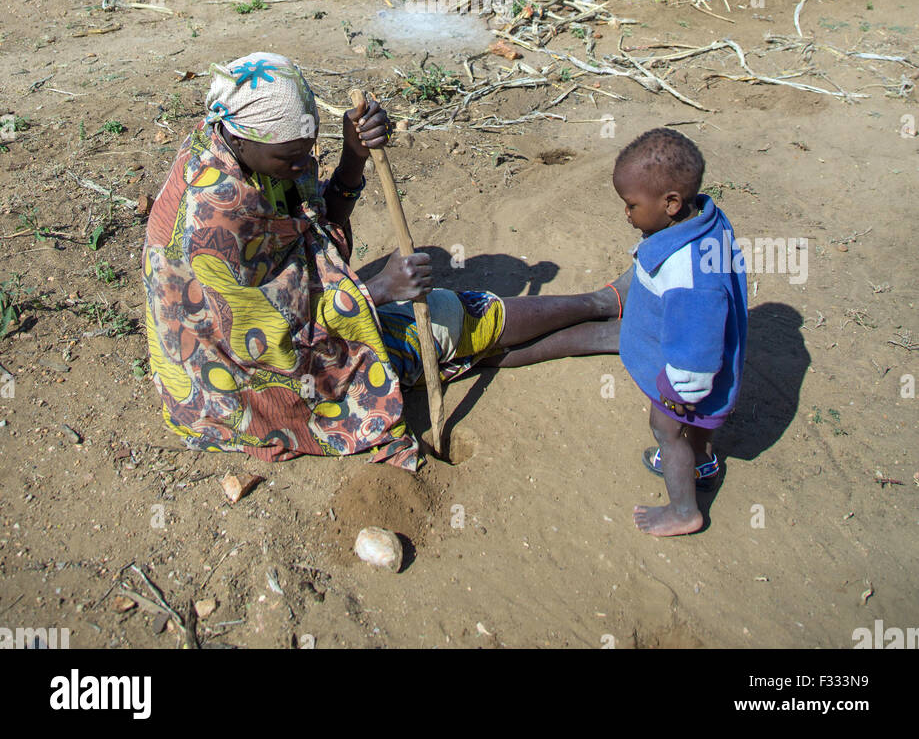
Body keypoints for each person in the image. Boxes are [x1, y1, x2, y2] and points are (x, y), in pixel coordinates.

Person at [143, 51, 625, 471]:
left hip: (238, 358)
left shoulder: (234, 148)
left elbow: (315, 229)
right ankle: (600, 305)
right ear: (244, 138)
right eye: (291, 158)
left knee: (429, 349)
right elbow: (268, 331)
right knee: (442, 324)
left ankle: (598, 328)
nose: (302, 165)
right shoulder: (217, 215)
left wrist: (353, 156)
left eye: (307, 152)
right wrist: (377, 291)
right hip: (245, 383)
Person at [613, 128, 747, 535]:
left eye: (631, 205)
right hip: (711, 367)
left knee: (666, 431)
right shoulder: (705, 219)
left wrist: (676, 394)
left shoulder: (689, 277)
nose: (627, 213)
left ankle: (683, 510)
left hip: (681, 379)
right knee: (699, 430)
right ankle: (702, 461)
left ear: (670, 203)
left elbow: (695, 348)